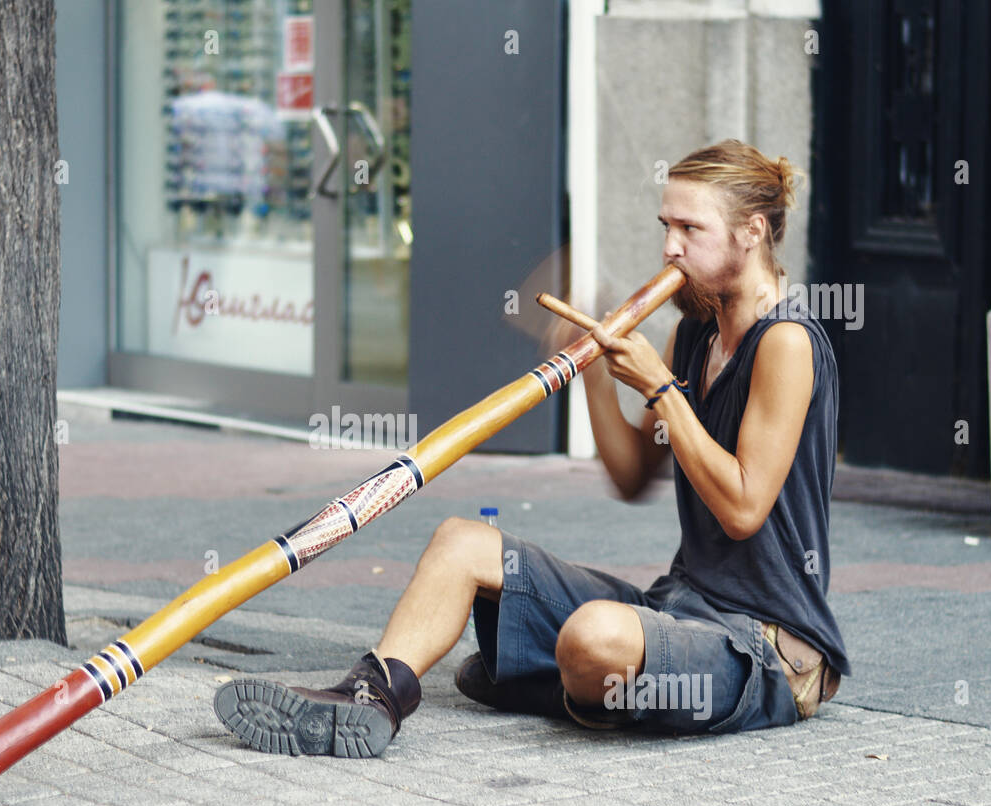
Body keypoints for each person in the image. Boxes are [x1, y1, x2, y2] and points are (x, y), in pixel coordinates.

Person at [214, 139, 848, 758]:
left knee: (593, 638)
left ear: (753, 232)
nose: (668, 248)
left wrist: (659, 387)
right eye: (666, 225)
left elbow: (742, 507)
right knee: (461, 543)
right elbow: (631, 477)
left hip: (765, 648)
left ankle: (558, 676)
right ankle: (373, 696)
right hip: (678, 607)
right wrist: (598, 374)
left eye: (690, 229)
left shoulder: (786, 343)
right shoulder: (695, 333)